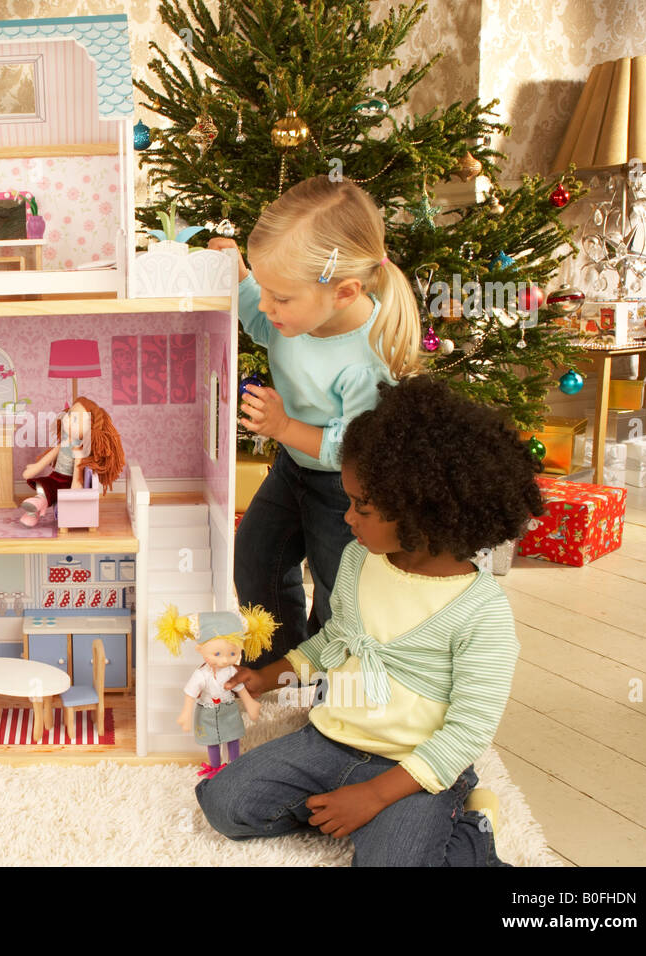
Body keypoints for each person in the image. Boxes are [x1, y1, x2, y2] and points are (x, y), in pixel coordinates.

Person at [194, 375, 545, 866]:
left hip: (413, 768)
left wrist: (377, 796)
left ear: (423, 516)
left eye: (362, 506)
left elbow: (467, 732)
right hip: (332, 740)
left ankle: (469, 829)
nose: (347, 517)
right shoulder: (360, 560)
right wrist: (267, 675)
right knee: (225, 805)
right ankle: (368, 821)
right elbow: (337, 640)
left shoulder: (481, 614)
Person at [210, 175, 422, 665]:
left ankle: (333, 677)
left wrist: (283, 427)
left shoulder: (368, 357)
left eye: (279, 296)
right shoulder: (294, 314)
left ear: (344, 292)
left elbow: (355, 446)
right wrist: (242, 276)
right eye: (265, 289)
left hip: (348, 489)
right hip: (293, 468)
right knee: (257, 554)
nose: (267, 306)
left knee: (337, 584)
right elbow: (261, 322)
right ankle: (277, 663)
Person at [155, 605, 276, 778]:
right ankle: (215, 766)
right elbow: (191, 693)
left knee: (233, 736)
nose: (225, 660)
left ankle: (235, 762)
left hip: (229, 709)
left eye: (233, 653)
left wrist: (250, 704)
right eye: (217, 654)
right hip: (207, 711)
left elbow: (239, 687)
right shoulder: (200, 675)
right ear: (200, 650)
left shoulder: (231, 671)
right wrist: (186, 713)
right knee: (211, 741)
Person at [18, 396, 123, 527]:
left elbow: (78, 468)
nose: (67, 420)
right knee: (43, 485)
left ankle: (37, 506)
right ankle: (34, 511)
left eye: (74, 419)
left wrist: (76, 486)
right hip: (55, 477)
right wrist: (36, 467)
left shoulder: (80, 448)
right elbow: (51, 455)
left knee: (46, 491)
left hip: (66, 482)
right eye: (68, 415)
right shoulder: (65, 442)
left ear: (89, 427)